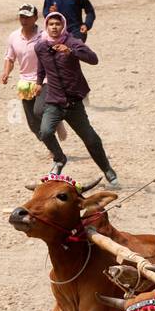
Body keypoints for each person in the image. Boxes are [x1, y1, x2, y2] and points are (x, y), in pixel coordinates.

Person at [34, 11, 119, 185]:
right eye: (51, 24)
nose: (54, 27)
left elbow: (94, 59)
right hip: (54, 101)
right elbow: (42, 66)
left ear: (63, 26)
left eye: (58, 24)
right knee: (45, 132)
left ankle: (107, 169)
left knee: (90, 138)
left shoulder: (73, 42)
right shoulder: (40, 46)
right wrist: (38, 82)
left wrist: (71, 52)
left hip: (73, 102)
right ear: (46, 26)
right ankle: (60, 158)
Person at [1, 4, 62, 167]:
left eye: (28, 17)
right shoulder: (14, 36)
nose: (24, 20)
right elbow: (10, 58)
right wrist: (6, 72)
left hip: (45, 79)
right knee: (33, 125)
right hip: (25, 82)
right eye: (22, 16)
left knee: (39, 110)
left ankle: (55, 122)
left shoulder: (44, 35)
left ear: (35, 18)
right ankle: (53, 146)